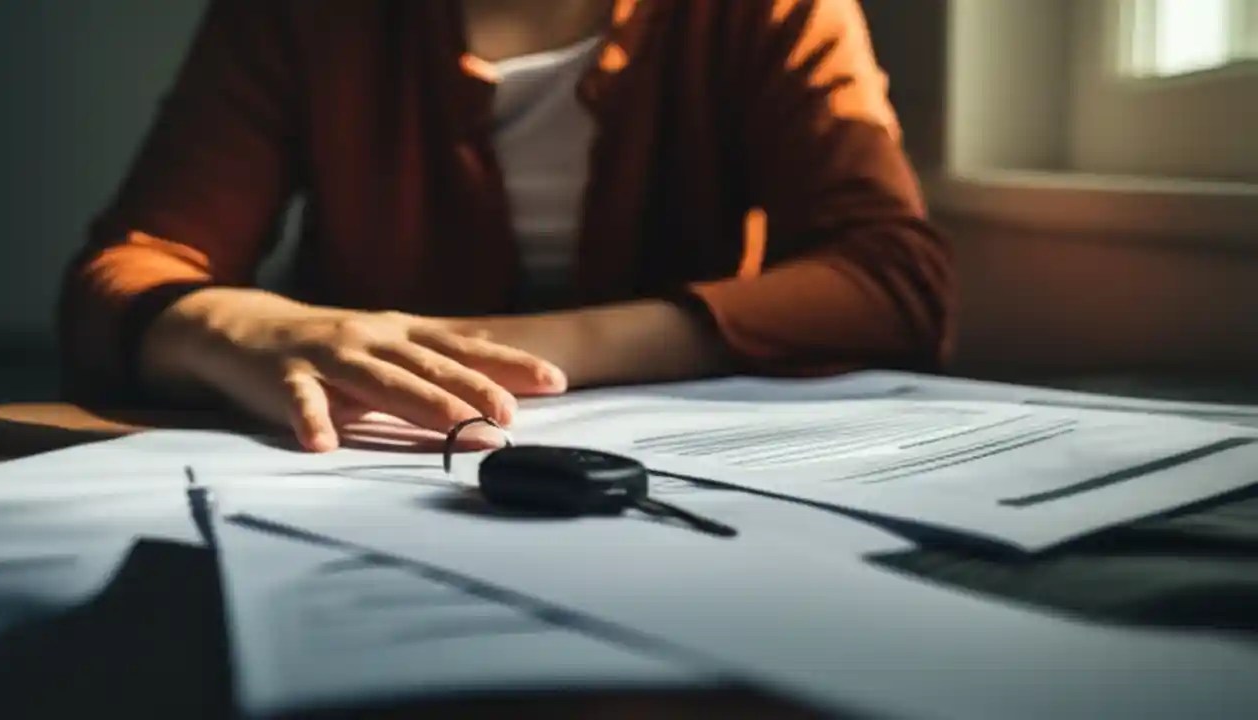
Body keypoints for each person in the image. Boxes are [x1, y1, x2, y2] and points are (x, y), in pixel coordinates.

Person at [59, 0, 953, 452]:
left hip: (688, 478)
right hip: (365, 468)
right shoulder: (302, 15)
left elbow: (894, 283)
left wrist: (495, 351)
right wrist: (243, 328)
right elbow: (120, 280)